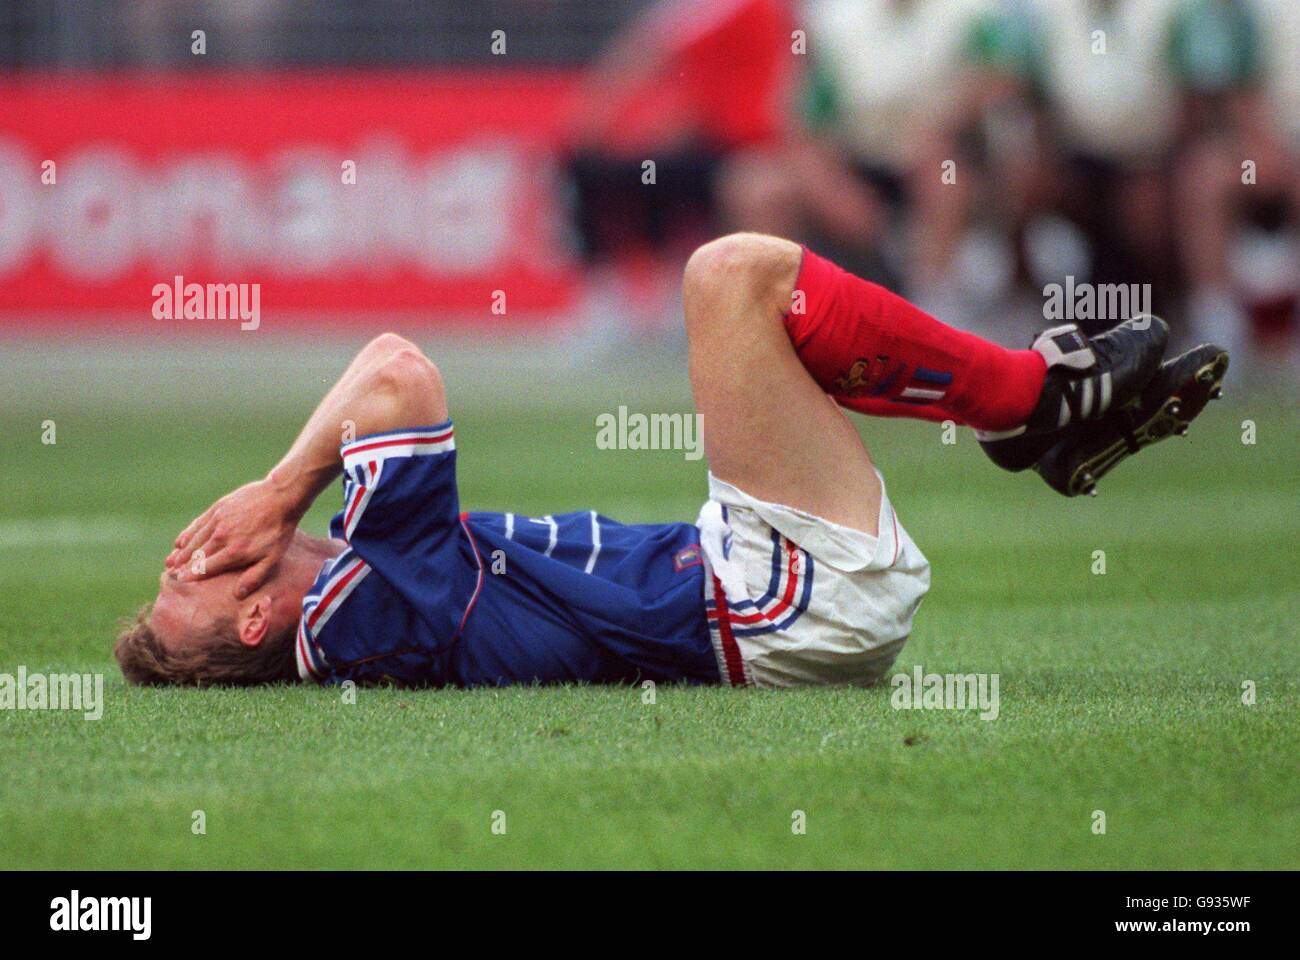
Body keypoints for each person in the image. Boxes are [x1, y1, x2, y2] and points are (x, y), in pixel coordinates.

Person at [114, 233, 1223, 689]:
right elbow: (397, 368)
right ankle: (1027, 406)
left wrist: (284, 499)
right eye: (185, 573)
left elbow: (379, 384)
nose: (187, 545)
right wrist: (277, 489)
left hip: (760, 588)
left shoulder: (366, 583)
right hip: (776, 601)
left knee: (754, 296)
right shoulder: (363, 602)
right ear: (255, 617)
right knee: (729, 277)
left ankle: (1028, 414)